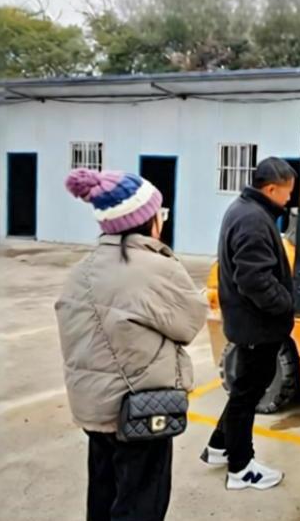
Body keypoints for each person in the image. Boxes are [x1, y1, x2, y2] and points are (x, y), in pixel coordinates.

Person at [55, 168, 207, 521]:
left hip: (95, 410)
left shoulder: (81, 269)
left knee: (103, 494)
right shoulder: (155, 268)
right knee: (141, 504)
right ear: (146, 219)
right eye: (161, 213)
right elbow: (189, 323)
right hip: (140, 410)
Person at [201, 157, 297, 489]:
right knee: (248, 394)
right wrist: (285, 304)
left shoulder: (244, 209)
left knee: (244, 389)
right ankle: (241, 468)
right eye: (287, 192)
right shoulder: (253, 220)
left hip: (249, 322)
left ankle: (219, 446)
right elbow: (254, 279)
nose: (289, 199)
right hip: (257, 324)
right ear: (271, 189)